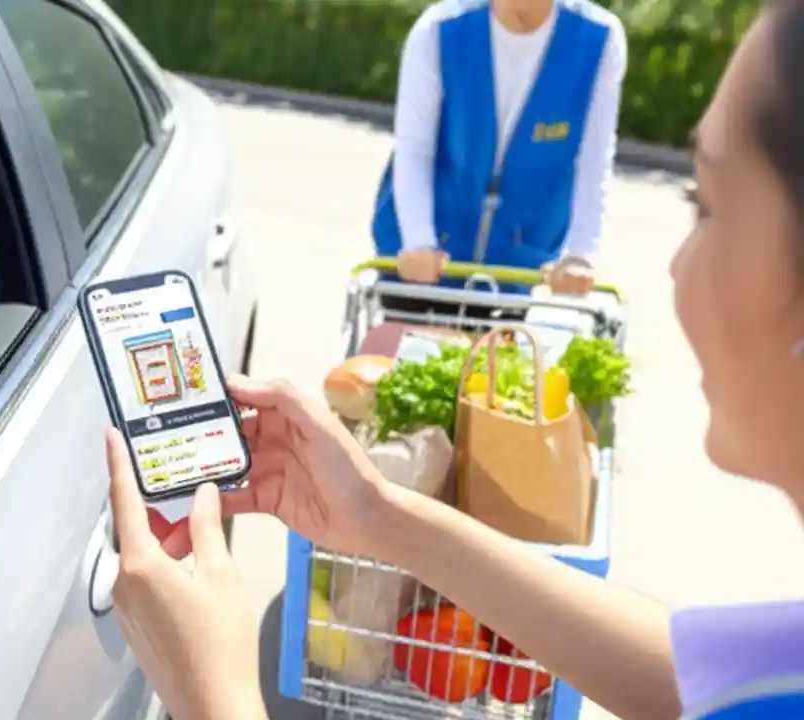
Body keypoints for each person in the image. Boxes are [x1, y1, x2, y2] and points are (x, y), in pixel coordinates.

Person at [104, 2, 804, 717]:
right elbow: (697, 678)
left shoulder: (595, 40)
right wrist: (379, 514)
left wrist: (210, 693)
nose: (677, 267)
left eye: (704, 203)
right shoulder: (783, 666)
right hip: (426, 270)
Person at [371, 0, 626, 296]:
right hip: (423, 254)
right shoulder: (439, 29)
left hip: (518, 264)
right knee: (405, 324)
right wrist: (418, 241)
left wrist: (581, 255)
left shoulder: (598, 39)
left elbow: (594, 160)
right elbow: (415, 149)